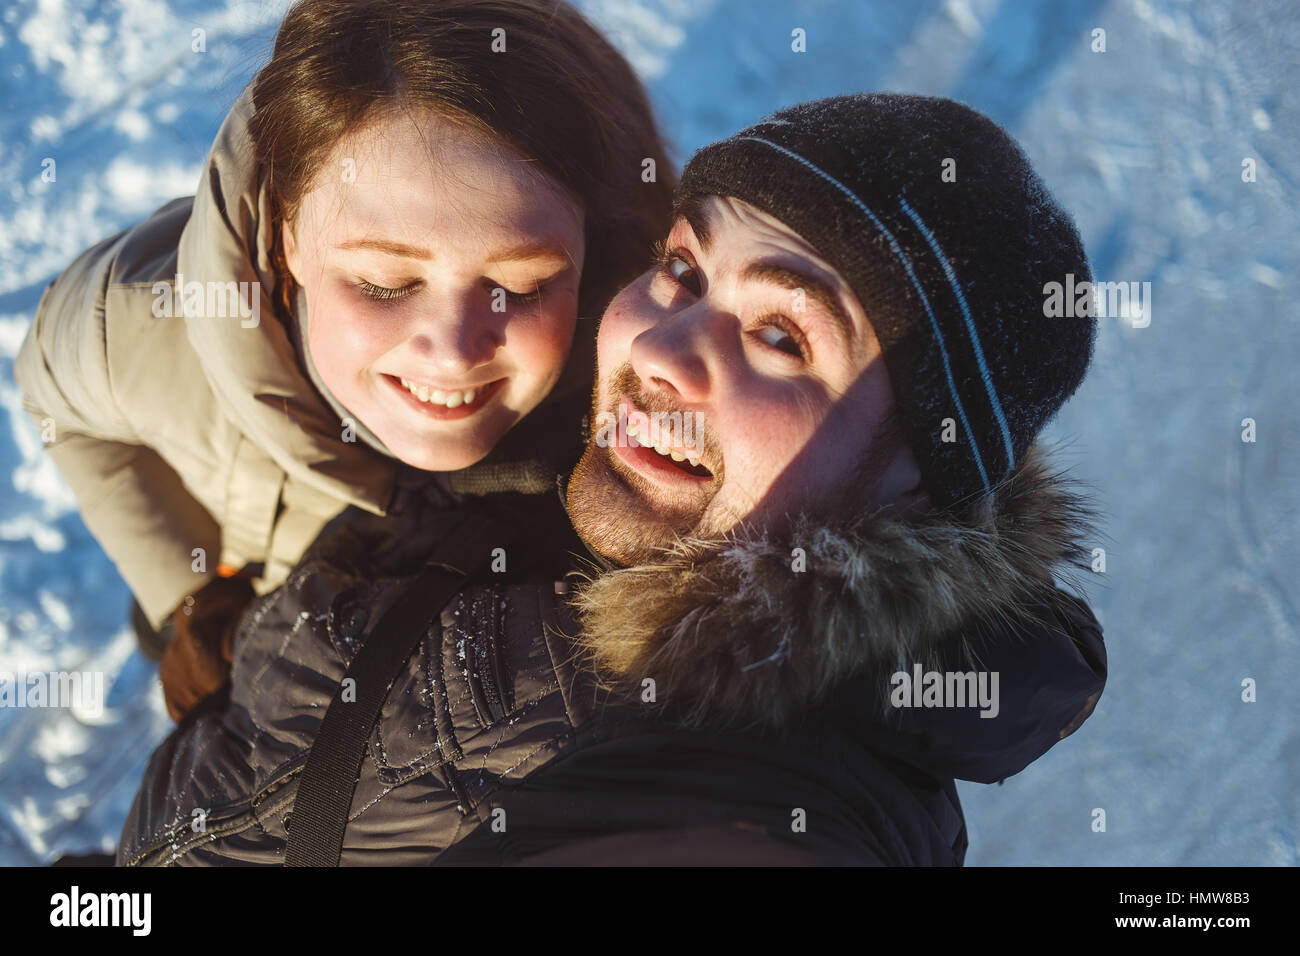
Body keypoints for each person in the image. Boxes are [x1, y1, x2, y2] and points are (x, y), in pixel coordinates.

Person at [117, 93, 1106, 866]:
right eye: (684, 269)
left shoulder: (772, 780)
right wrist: (234, 652)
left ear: (920, 487)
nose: (660, 346)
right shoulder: (533, 453)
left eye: (779, 337)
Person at [13, 0, 673, 719]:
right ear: (287, 234)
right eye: (384, 284)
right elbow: (57, 401)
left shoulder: (630, 411)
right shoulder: (134, 327)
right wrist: (188, 594)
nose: (453, 351)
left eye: (521, 287)